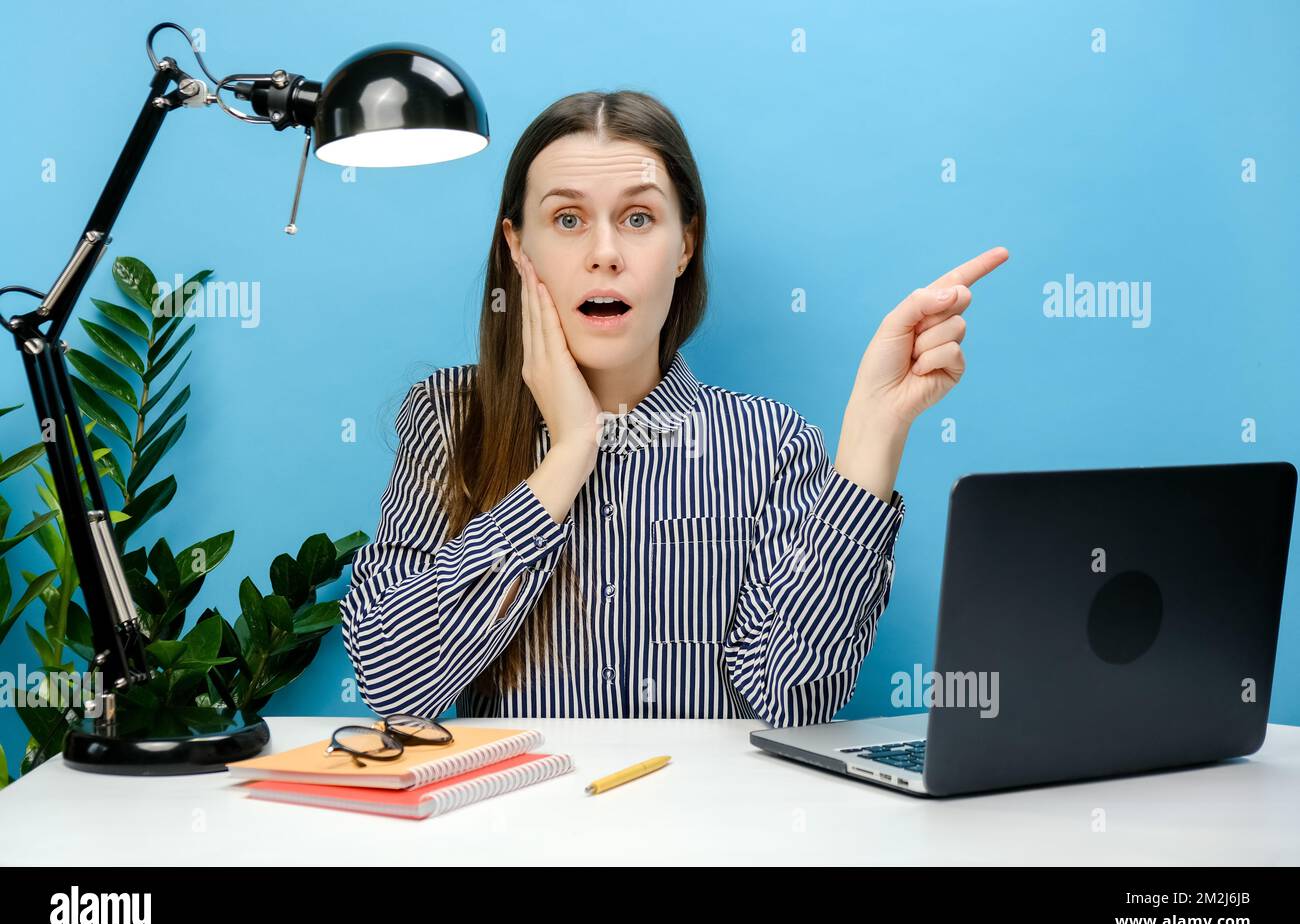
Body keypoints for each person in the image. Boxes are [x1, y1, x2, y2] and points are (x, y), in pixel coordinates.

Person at [340, 90, 1008, 727]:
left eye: (638, 219)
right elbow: (394, 681)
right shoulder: (450, 420)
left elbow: (792, 695)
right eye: (567, 220)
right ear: (519, 248)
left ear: (684, 245)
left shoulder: (770, 445)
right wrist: (569, 455)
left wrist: (873, 436)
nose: (605, 255)